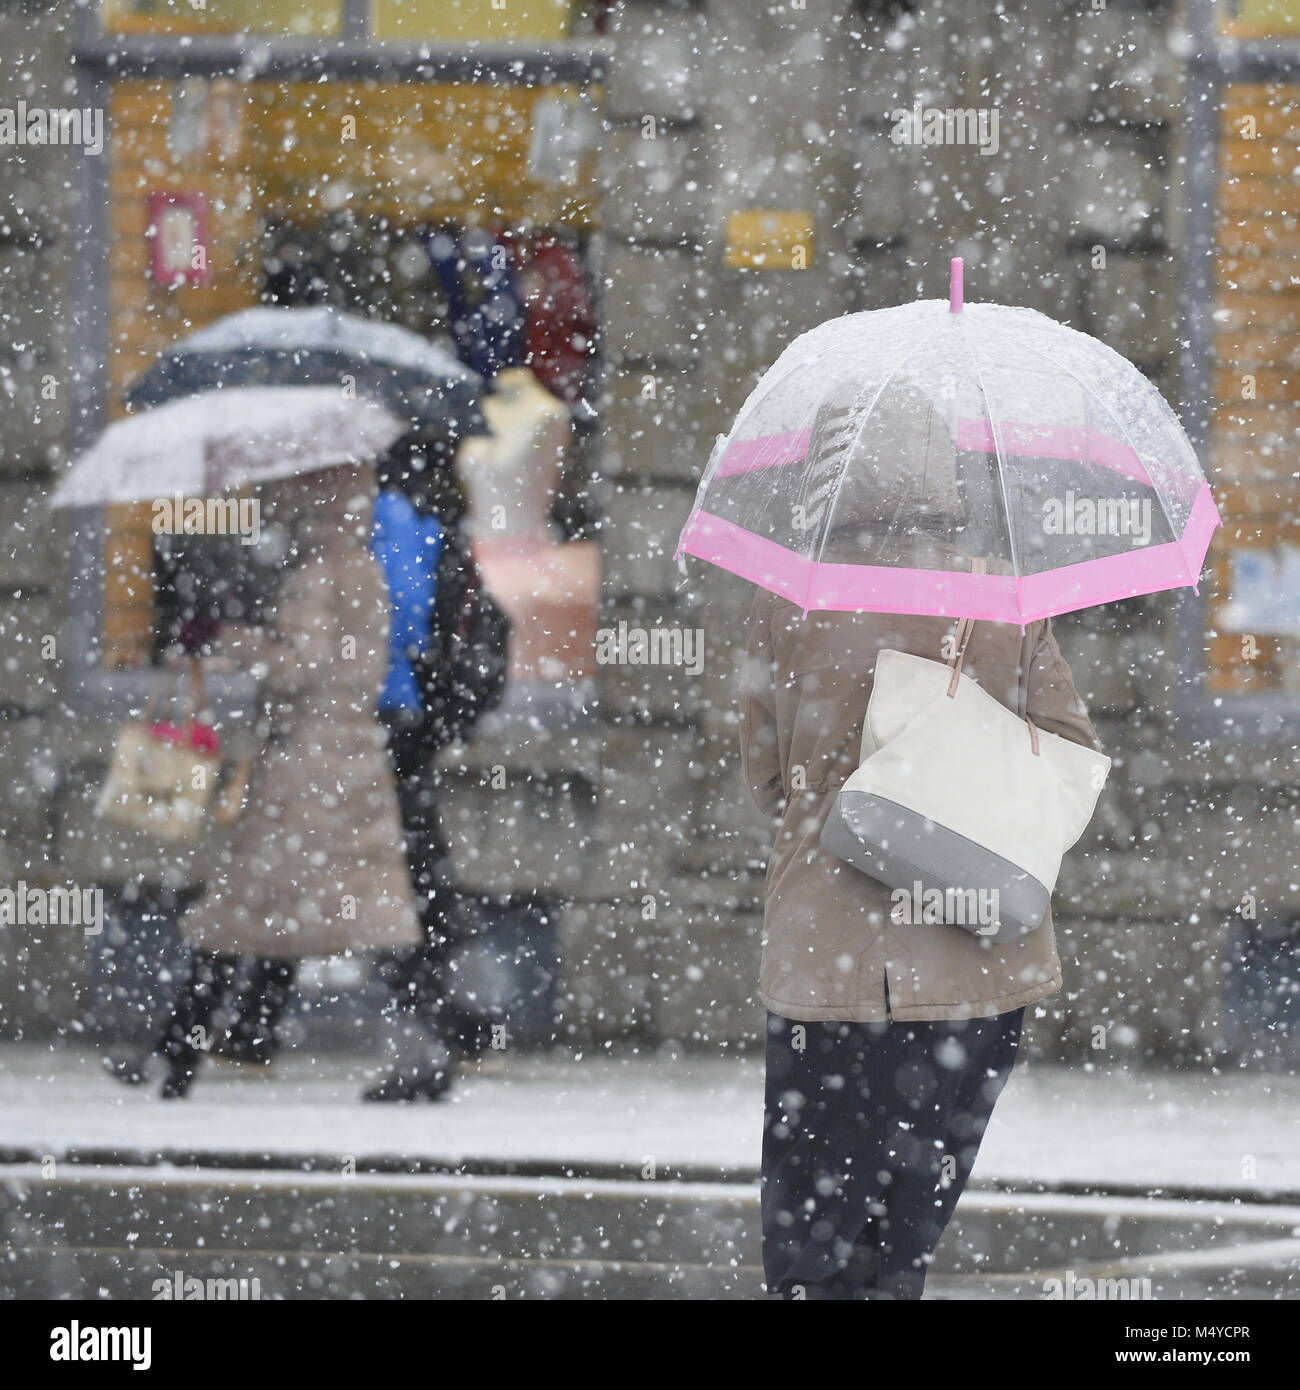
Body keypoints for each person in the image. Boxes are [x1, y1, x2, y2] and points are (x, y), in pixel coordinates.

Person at [739, 382, 1103, 1299]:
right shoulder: (1000, 596)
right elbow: (1071, 755)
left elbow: (765, 775)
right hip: (973, 952)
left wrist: (855, 799)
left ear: (831, 470)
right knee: (908, 1223)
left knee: (812, 1225)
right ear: (941, 472)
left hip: (827, 954)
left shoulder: (785, 600)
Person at [108, 463, 422, 1098]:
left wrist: (240, 642)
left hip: (304, 770)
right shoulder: (361, 567)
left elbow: (299, 668)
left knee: (242, 912)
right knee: (359, 915)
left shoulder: (315, 574)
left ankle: (181, 1050)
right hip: (347, 758)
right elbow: (353, 665)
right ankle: (185, 1048)